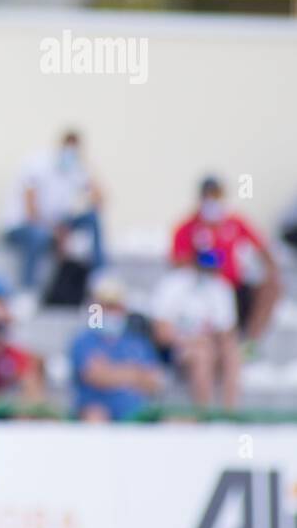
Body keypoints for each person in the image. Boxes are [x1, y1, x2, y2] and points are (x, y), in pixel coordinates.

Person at [170, 176, 281, 346]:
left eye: (216, 196)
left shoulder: (234, 222)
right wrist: (202, 261)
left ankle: (250, 342)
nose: (212, 202)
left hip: (235, 286)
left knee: (272, 287)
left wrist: (271, 268)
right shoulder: (188, 226)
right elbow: (177, 261)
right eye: (209, 197)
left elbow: (261, 246)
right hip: (209, 289)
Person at [1, 130, 105, 290]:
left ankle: (99, 276)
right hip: (20, 227)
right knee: (38, 235)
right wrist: (55, 233)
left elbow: (100, 201)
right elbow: (31, 213)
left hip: (53, 226)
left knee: (91, 219)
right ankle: (27, 289)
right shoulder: (38, 164)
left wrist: (88, 169)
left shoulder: (75, 169)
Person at [151, 250, 242, 410]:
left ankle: (230, 412)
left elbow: (226, 331)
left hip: (209, 345)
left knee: (232, 353)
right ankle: (203, 413)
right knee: (202, 354)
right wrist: (192, 340)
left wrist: (213, 341)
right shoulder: (174, 285)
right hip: (178, 347)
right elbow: (161, 332)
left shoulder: (221, 287)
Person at [70, 275, 163, 422]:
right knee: (95, 417)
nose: (110, 312)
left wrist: (112, 372)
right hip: (98, 408)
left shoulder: (136, 341)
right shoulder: (84, 340)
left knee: (174, 420)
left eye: (114, 306)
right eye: (105, 306)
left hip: (135, 410)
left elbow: (154, 381)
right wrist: (135, 373)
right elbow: (95, 376)